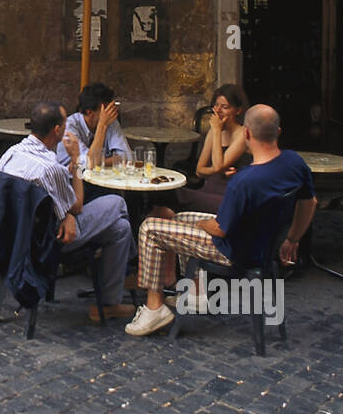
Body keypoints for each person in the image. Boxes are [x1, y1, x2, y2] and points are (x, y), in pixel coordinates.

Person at [125, 104, 316, 337]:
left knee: (150, 228)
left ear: (246, 133)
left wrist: (201, 225)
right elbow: (310, 203)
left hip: (233, 252)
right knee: (181, 218)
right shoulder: (294, 163)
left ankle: (154, 308)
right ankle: (195, 294)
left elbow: (219, 229)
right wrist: (292, 239)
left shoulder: (244, 181)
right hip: (264, 247)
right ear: (278, 131)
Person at [0, 101, 135, 321]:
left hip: (16, 236)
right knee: (117, 203)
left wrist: (66, 214)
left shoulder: (9, 155)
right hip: (49, 241)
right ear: (58, 131)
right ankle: (129, 272)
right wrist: (76, 159)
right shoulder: (50, 168)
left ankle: (109, 303)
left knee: (121, 228)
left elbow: (59, 203)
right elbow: (77, 204)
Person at [151, 84, 249, 218]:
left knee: (173, 193)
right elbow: (199, 171)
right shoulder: (213, 133)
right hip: (207, 190)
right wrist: (217, 170)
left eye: (225, 107)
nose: (218, 111)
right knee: (162, 209)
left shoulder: (242, 134)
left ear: (238, 110)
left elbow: (218, 164)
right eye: (216, 106)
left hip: (227, 198)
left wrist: (216, 131)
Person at [59, 81, 131, 170]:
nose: (109, 113)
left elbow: (127, 158)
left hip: (102, 178)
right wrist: (102, 125)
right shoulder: (69, 127)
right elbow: (90, 163)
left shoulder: (110, 121)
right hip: (74, 180)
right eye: (105, 109)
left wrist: (99, 162)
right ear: (90, 113)